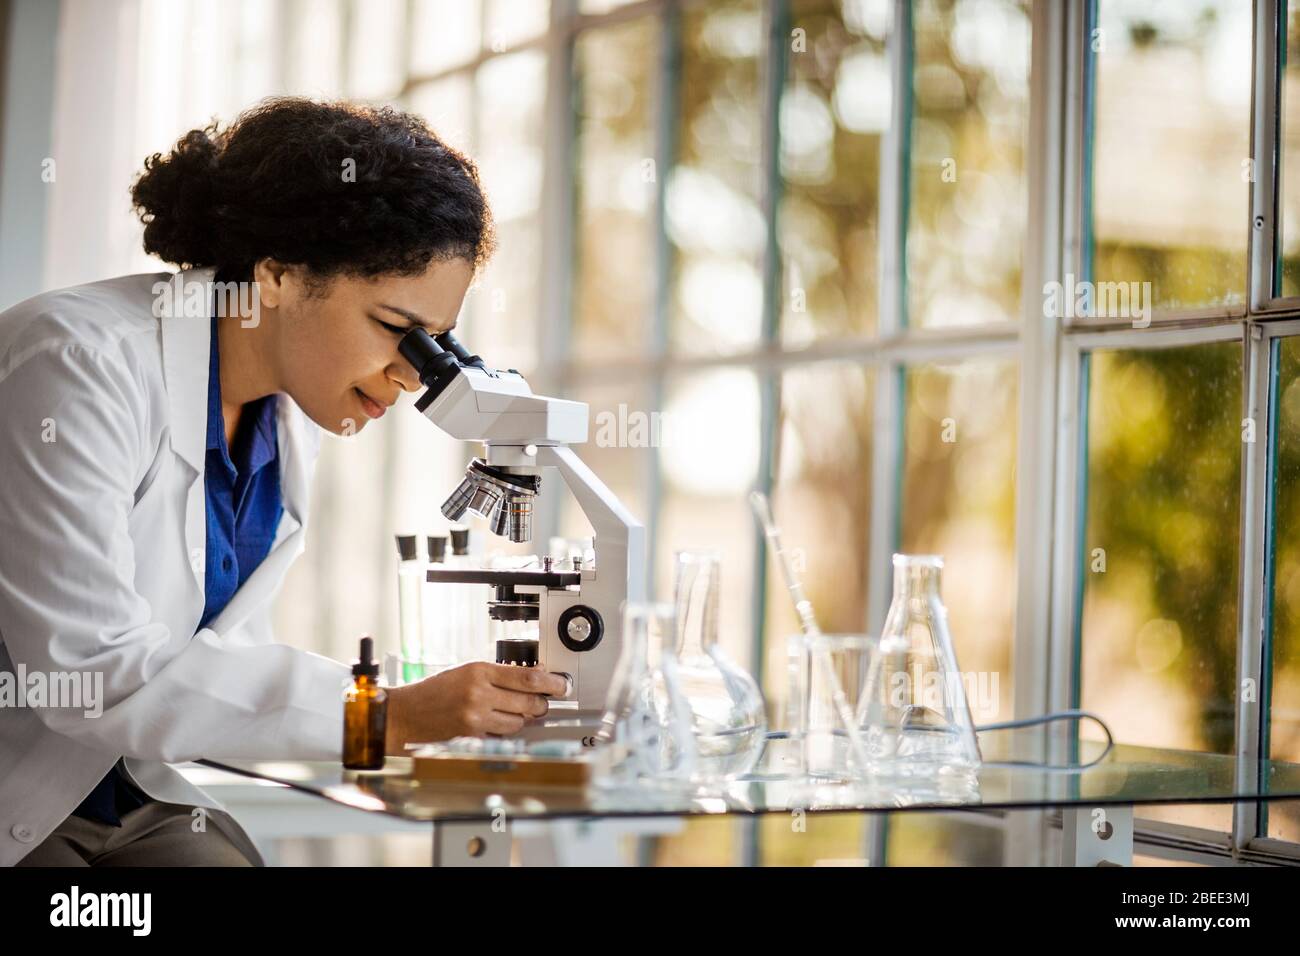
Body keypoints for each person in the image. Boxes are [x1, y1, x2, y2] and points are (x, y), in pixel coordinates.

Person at [0, 97, 566, 867]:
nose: (410, 375)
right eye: (397, 330)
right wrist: (384, 715)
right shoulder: (77, 363)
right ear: (277, 276)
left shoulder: (287, 416)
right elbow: (92, 670)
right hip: (24, 783)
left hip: (133, 789)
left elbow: (217, 663)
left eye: (435, 344)